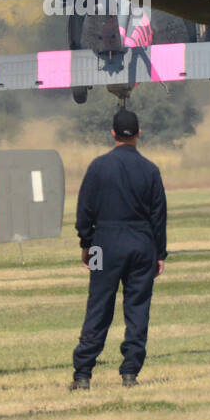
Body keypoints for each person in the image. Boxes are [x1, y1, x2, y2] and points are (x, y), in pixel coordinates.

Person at [70, 109, 167, 389]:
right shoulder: (150, 170)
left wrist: (87, 243)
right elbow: (158, 217)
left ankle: (83, 374)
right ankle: (130, 373)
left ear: (113, 133)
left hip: (104, 244)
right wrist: (159, 254)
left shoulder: (98, 167)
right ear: (139, 133)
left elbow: (84, 211)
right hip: (142, 244)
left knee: (98, 305)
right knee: (137, 308)